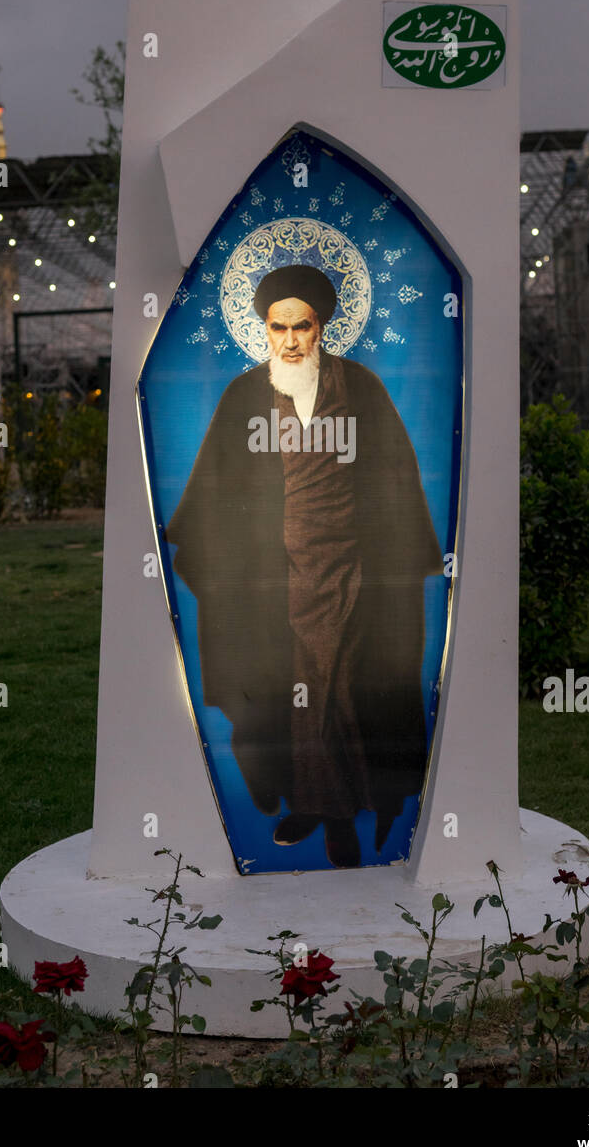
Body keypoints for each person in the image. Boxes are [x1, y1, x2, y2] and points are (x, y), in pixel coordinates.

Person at [167, 264, 443, 869]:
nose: (290, 340)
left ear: (323, 327)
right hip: (275, 577)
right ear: (263, 329)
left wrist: (393, 559)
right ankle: (316, 804)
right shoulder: (245, 395)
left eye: (303, 326)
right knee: (292, 696)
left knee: (343, 689)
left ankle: (341, 810)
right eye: (277, 327)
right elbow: (218, 487)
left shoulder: (362, 387)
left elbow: (395, 478)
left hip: (352, 570)